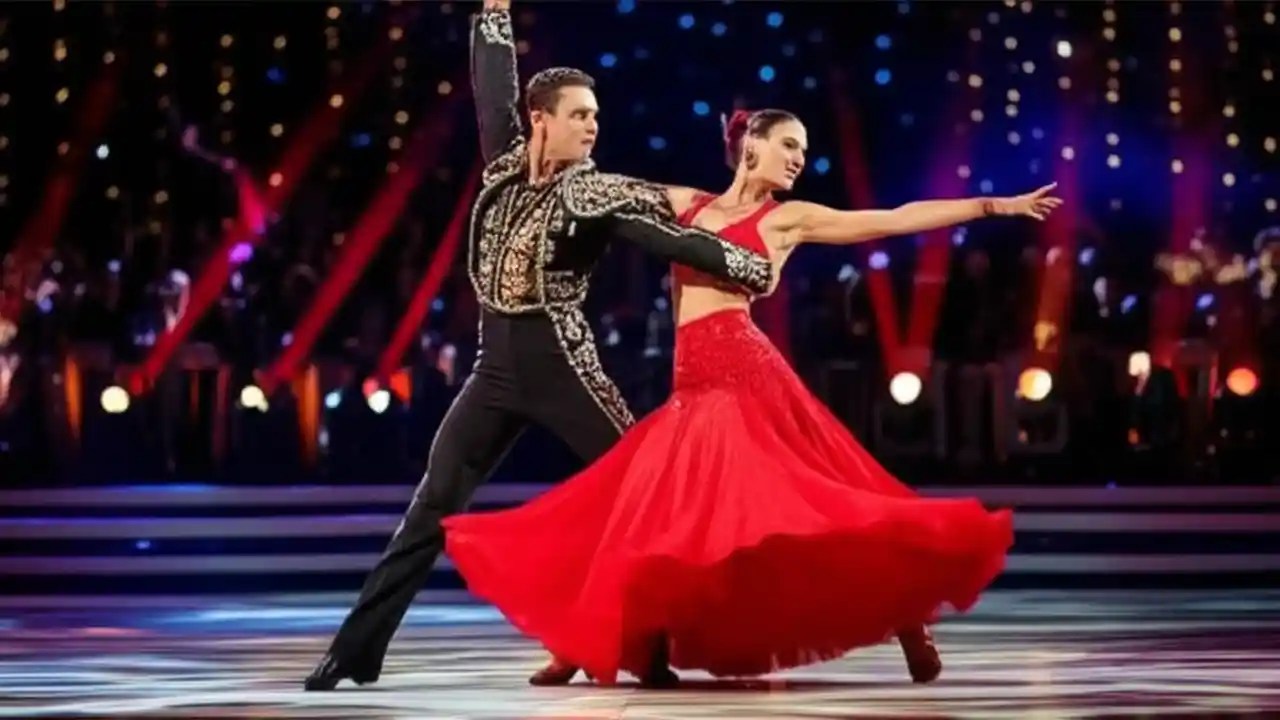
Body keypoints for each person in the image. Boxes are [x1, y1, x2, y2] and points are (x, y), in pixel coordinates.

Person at [441, 108, 1060, 686]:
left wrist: (990, 205)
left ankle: (904, 615)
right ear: (751, 147)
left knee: (811, 510)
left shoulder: (787, 219)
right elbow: (603, 188)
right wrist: (545, 155)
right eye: (789, 146)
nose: (798, 159)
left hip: (746, 377)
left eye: (805, 151)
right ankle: (593, 642)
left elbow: (893, 218)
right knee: (648, 515)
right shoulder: (686, 205)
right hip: (690, 385)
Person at [302, 2, 775, 691]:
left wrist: (746, 265)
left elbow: (670, 239)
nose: (592, 125)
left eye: (595, 116)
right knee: (432, 504)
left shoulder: (595, 192)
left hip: (565, 367)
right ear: (541, 119)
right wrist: (492, 15)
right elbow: (493, 87)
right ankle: (355, 650)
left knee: (644, 495)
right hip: (493, 369)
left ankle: (644, 648)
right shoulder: (501, 167)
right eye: (579, 113)